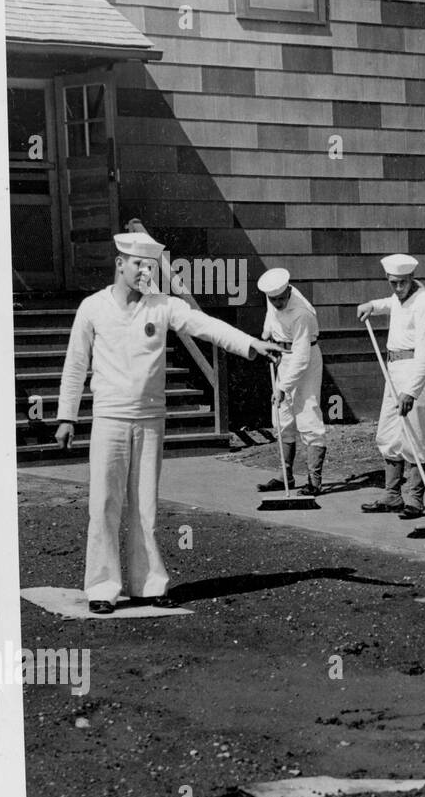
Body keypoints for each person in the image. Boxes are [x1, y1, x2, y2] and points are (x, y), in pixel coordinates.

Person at [55, 231, 283, 614]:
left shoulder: (163, 306)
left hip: (149, 420)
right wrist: (66, 416)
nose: (145, 271)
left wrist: (250, 345)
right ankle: (102, 587)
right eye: (138, 264)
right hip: (109, 418)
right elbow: (75, 365)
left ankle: (148, 584)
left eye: (150, 265)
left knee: (145, 505)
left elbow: (204, 324)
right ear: (120, 264)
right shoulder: (92, 308)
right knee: (105, 504)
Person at [356, 253, 425, 519]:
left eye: (403, 283)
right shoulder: (399, 295)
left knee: (414, 433)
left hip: (414, 371)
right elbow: (392, 303)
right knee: (388, 431)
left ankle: (414, 498)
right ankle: (392, 495)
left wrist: (411, 391)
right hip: (393, 369)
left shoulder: (424, 305)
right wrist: (372, 305)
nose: (398, 288)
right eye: (393, 283)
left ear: (412, 278)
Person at [256, 267, 327, 496]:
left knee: (307, 414)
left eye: (280, 299)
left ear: (288, 291)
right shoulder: (273, 297)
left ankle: (314, 481)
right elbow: (271, 314)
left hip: (304, 359)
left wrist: (283, 388)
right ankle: (285, 475)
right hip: (282, 356)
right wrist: (267, 333)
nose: (276, 303)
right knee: (282, 418)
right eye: (272, 299)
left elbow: (302, 358)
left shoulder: (301, 313)